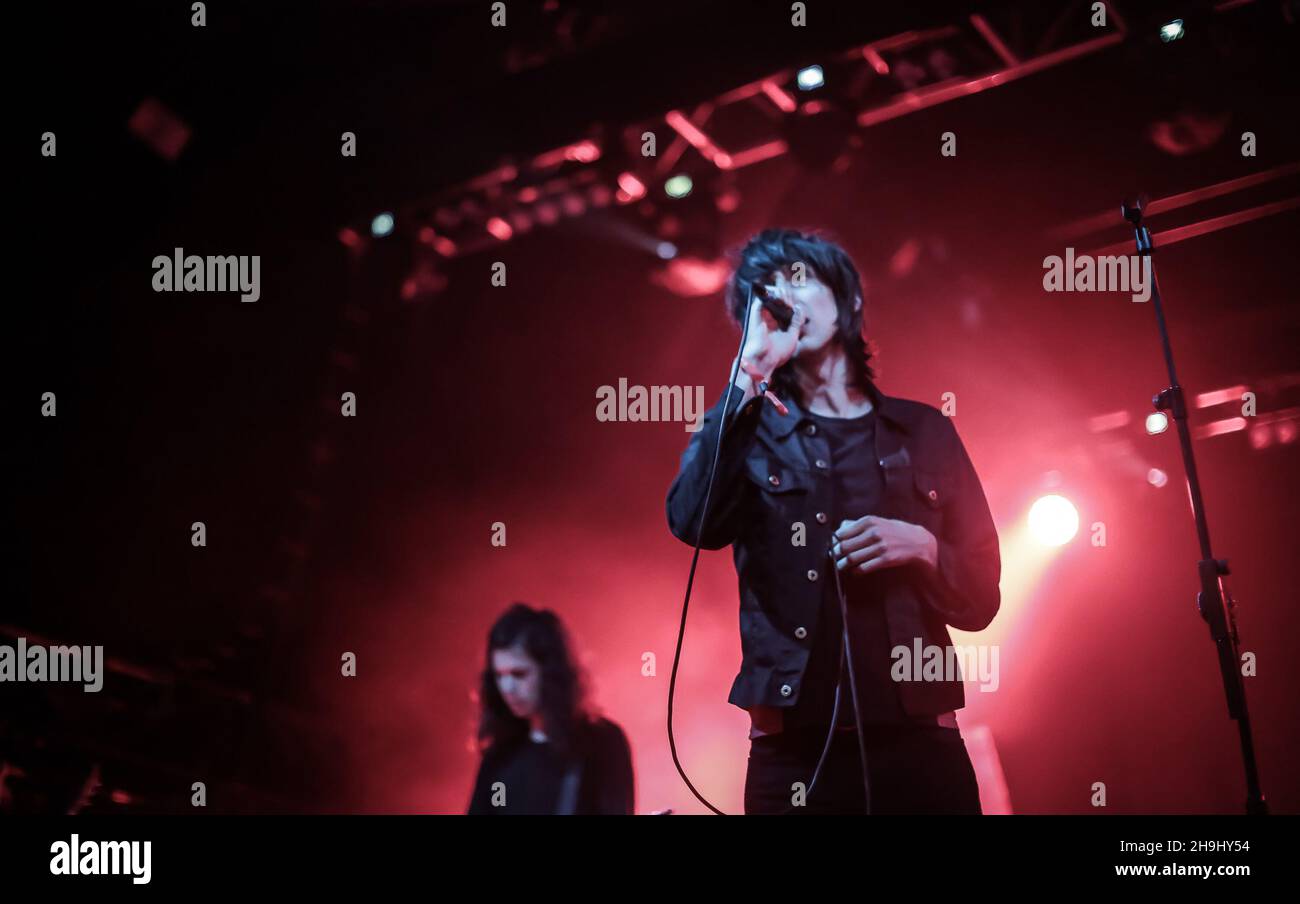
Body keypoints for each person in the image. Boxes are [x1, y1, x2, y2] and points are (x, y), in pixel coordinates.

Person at [665, 228, 1001, 814]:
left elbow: (981, 599)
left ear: (848, 302)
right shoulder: (748, 436)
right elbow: (692, 523)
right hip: (792, 756)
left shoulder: (924, 431)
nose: (784, 300)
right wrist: (745, 382)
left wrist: (923, 546)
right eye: (764, 294)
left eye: (799, 280)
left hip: (919, 749)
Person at [466, 603, 634, 815]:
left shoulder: (602, 742)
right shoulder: (499, 755)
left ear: (550, 673)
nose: (507, 688)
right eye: (499, 675)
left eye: (519, 674)